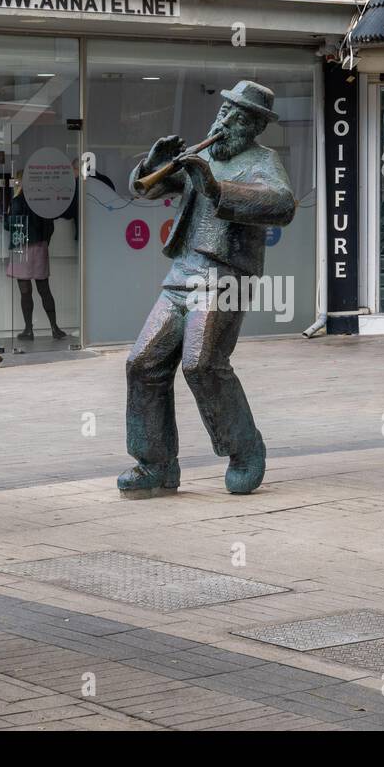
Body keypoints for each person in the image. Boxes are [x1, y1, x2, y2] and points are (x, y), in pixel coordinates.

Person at [120, 80, 295, 497]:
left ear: (253, 126)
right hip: (182, 275)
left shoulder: (262, 161)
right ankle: (155, 465)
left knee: (202, 364)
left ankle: (245, 449)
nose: (224, 121)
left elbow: (282, 204)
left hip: (224, 278)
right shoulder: (203, 157)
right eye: (223, 113)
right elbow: (149, 187)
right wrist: (151, 164)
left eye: (234, 117)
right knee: (143, 363)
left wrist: (215, 188)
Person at [6, 185, 65, 341]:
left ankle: (28, 330)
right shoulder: (42, 201)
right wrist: (44, 242)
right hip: (40, 247)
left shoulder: (17, 201)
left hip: (21, 247)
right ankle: (55, 328)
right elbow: (50, 226)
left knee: (25, 291)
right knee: (44, 289)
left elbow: (9, 225)